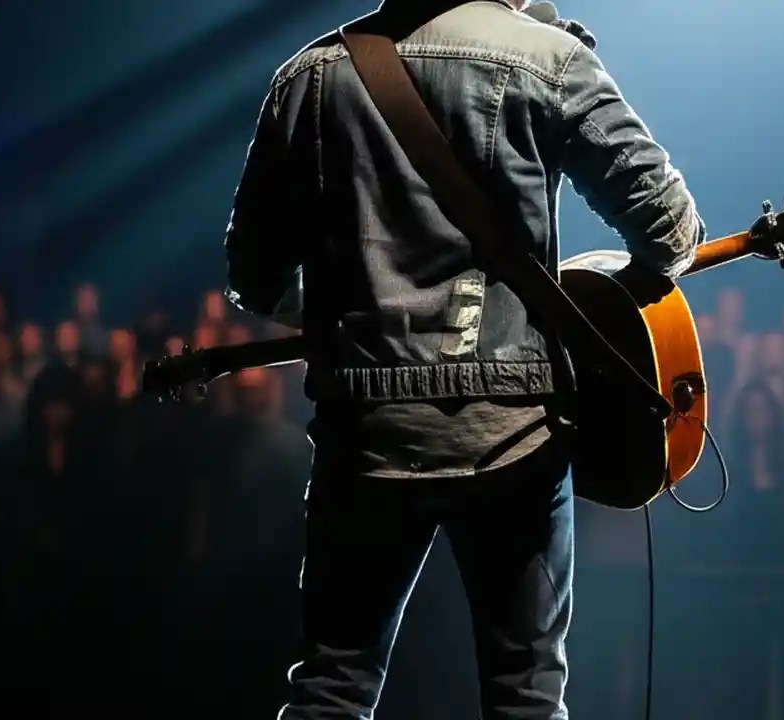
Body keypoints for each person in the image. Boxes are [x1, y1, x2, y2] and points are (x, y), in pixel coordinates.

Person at [222, 0, 705, 717]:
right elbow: (670, 234)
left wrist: (347, 311)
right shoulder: (550, 60)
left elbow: (254, 277)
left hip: (365, 434)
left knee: (333, 686)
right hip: (513, 433)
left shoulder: (308, 77)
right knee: (526, 695)